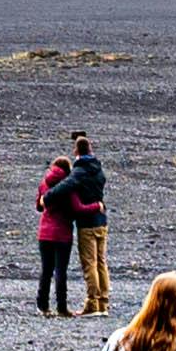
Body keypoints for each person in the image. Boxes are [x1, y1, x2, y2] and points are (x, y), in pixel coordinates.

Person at [33, 146, 78, 315]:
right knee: (61, 271)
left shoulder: (44, 182)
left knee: (46, 270)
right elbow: (75, 207)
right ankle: (61, 307)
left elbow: (38, 206)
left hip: (44, 232)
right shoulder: (68, 185)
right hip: (62, 234)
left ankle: (42, 305)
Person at [70, 132, 111, 313]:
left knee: (90, 263)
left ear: (76, 151)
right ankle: (103, 302)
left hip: (87, 223)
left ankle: (92, 302)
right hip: (101, 221)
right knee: (101, 262)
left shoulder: (79, 171)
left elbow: (67, 186)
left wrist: (47, 197)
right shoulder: (98, 170)